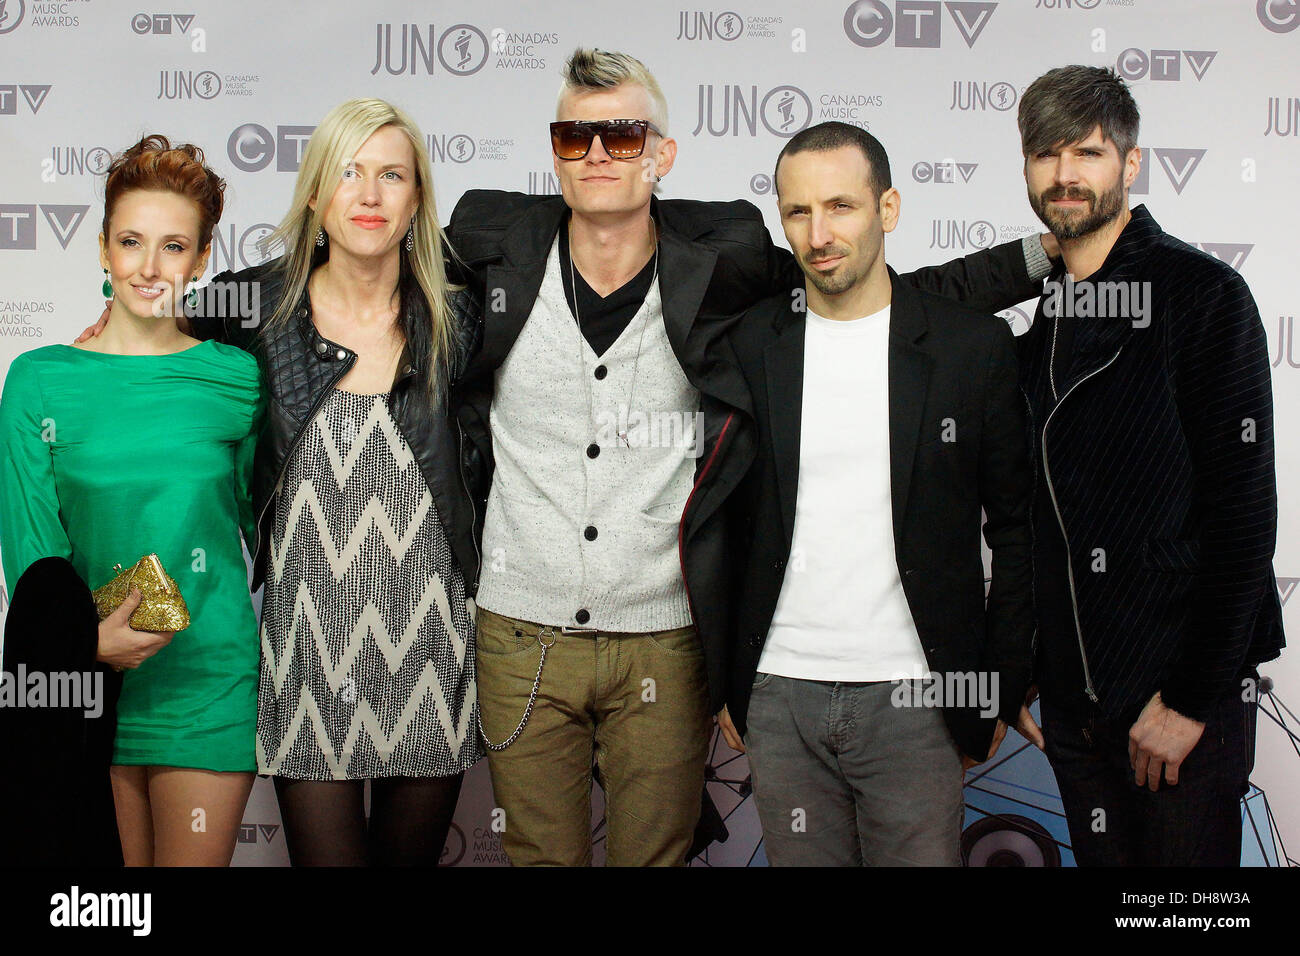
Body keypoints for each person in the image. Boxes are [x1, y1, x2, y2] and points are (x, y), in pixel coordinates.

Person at [447, 47, 1054, 867]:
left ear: (661, 155)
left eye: (622, 137)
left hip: (670, 638)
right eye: (574, 137)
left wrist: (1042, 253)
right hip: (527, 632)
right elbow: (361, 273)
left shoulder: (722, 267)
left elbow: (880, 292)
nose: (595, 154)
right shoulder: (494, 249)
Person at [81, 100, 483, 866]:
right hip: (308, 656)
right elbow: (154, 319)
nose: (368, 196)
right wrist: (102, 328)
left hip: (434, 651)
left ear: (418, 198)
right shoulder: (255, 308)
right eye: (347, 173)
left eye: (391, 175)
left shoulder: (458, 317)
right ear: (313, 195)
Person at [716, 122, 1038, 866]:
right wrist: (725, 680)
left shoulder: (970, 348)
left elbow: (1018, 529)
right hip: (779, 692)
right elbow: (719, 524)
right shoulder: (749, 344)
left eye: (842, 206)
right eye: (797, 212)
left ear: (888, 209)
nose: (819, 233)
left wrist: (1000, 680)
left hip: (920, 699)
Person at [1010, 66, 1284, 866]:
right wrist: (1035, 668)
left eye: (1088, 153)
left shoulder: (1202, 295)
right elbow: (1038, 516)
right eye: (1046, 154)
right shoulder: (1045, 325)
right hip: (1076, 712)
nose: (1065, 175)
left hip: (1177, 704)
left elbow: (1244, 519)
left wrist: (1192, 701)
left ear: (1128, 166)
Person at [1, 135, 265, 866]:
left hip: (208, 676)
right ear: (102, 250)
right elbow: (32, 561)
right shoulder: (38, 381)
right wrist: (83, 648)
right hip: (85, 689)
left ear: (204, 259)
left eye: (174, 246)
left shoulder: (237, 379)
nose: (150, 268)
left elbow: (271, 526)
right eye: (131, 241)